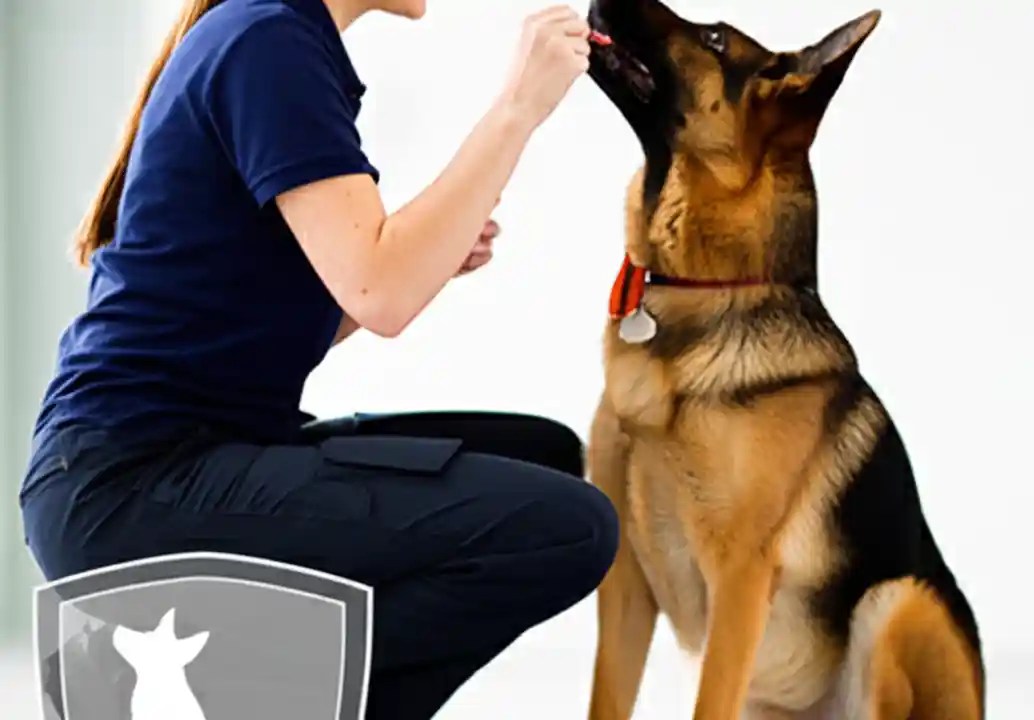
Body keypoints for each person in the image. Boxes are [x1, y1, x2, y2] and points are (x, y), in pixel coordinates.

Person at [18, 0, 619, 716]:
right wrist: (520, 105)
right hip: (132, 485)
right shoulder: (267, 40)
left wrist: (432, 256)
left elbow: (295, 313)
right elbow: (381, 290)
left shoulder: (274, 36)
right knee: (564, 527)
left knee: (541, 455)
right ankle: (246, 701)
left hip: (165, 466)